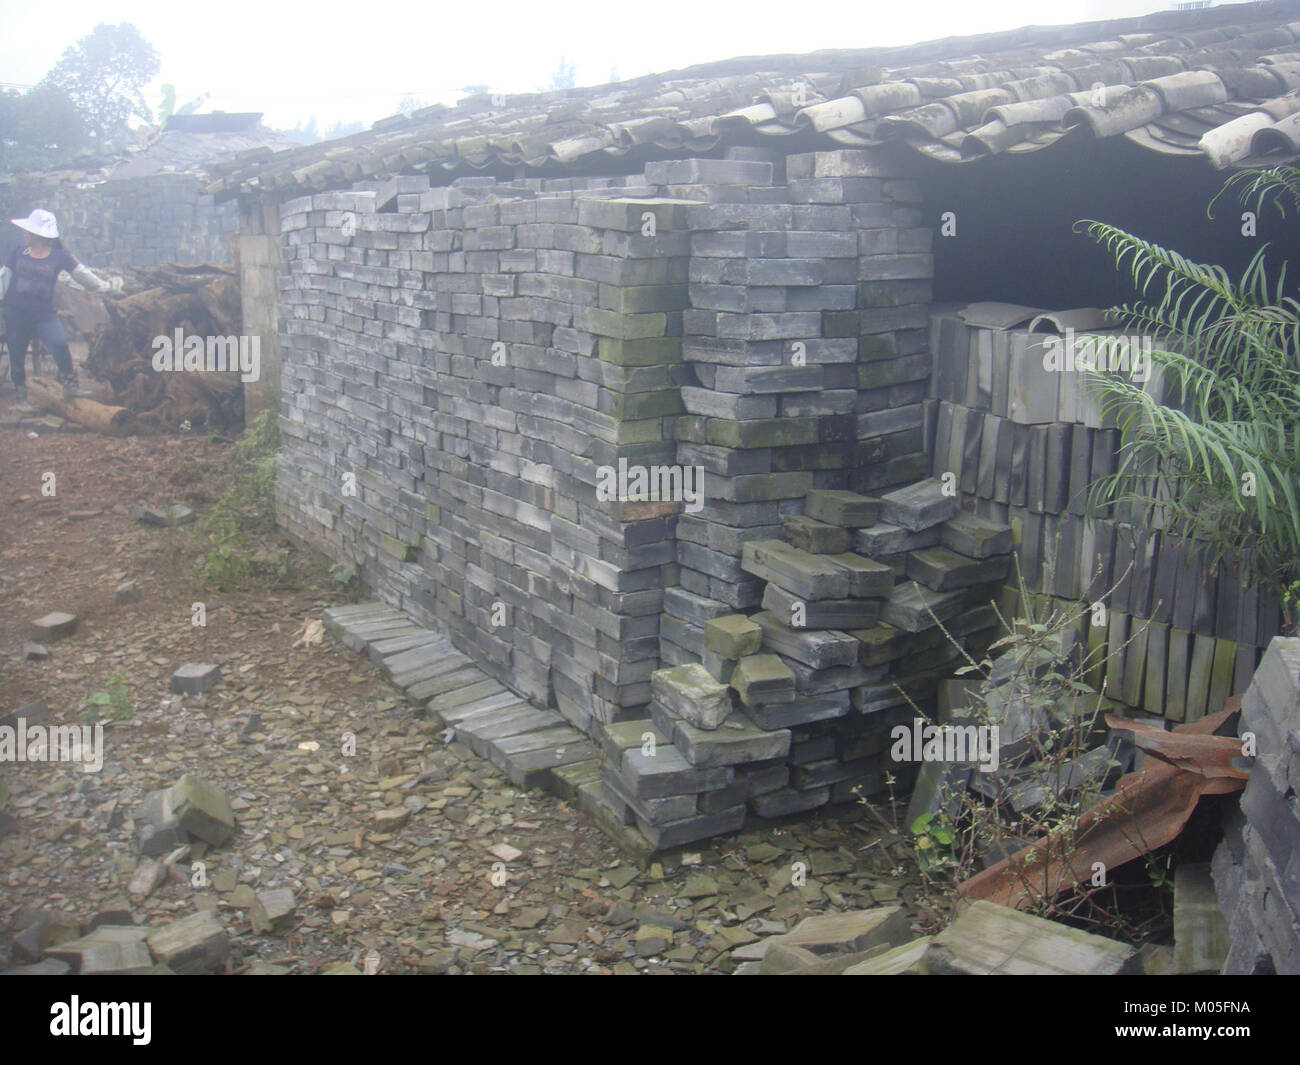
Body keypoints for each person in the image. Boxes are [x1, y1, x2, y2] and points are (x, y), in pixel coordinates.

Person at [0, 209, 115, 412]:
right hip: (16, 312)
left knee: (59, 343)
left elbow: (82, 274)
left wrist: (106, 288)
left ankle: (70, 386)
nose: (25, 234)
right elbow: (4, 277)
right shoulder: (18, 252)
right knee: (16, 353)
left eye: (29, 231)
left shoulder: (59, 256)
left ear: (38, 234)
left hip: (43, 313)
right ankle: (21, 397)